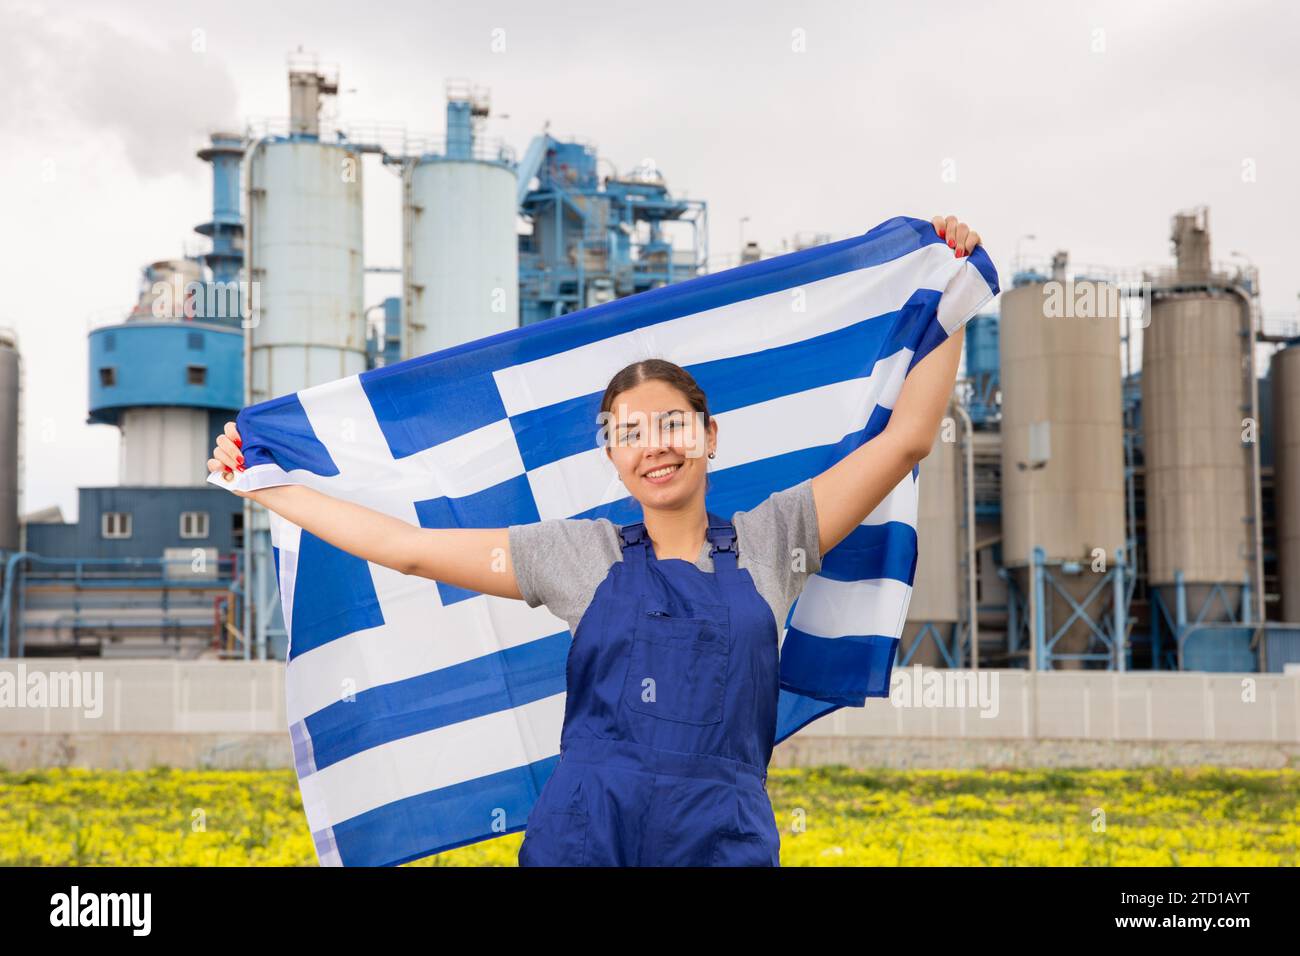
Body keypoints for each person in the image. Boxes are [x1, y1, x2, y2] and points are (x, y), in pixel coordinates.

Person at [208, 214, 983, 867]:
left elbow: (908, 440)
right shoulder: (579, 557)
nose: (658, 446)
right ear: (612, 458)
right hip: (587, 836)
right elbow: (409, 549)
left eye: (674, 425)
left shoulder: (775, 537)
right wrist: (268, 484)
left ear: (709, 436)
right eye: (632, 434)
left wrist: (949, 291)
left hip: (724, 840)